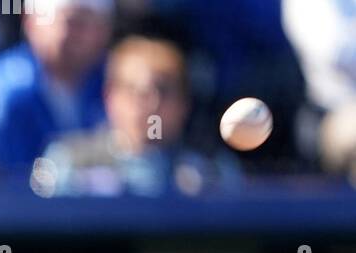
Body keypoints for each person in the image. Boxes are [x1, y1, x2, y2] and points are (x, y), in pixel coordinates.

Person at [34, 37, 239, 197]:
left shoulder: (213, 171)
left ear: (184, 103)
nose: (151, 104)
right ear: (110, 97)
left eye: (163, 90)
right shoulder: (67, 160)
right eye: (135, 90)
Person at [0, 0, 113, 171]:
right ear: (30, 21)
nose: (79, 34)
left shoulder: (118, 83)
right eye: (71, 21)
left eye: (91, 23)